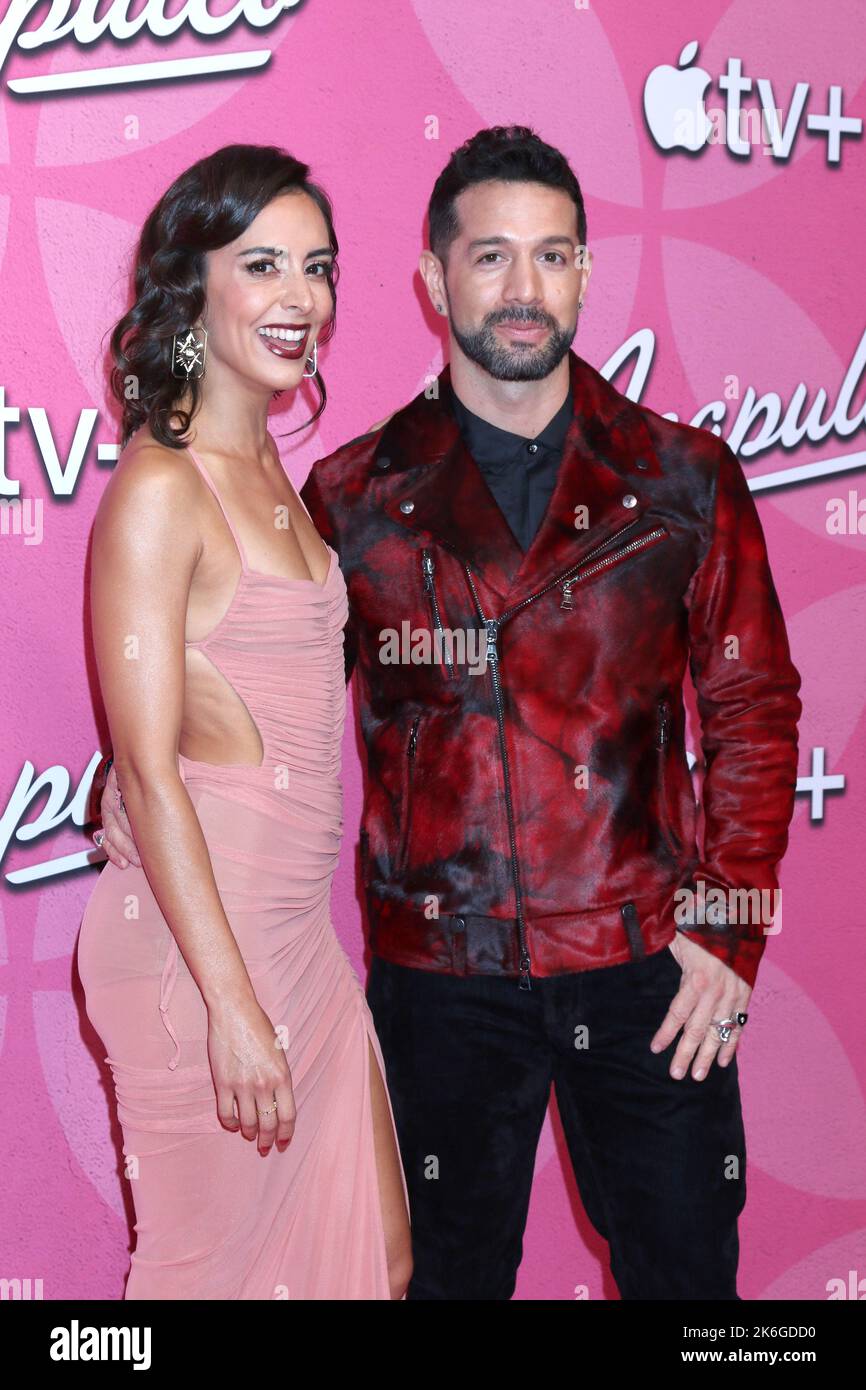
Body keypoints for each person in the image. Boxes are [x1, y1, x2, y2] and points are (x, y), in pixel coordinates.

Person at [97, 125, 802, 1300]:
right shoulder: (352, 495)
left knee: (692, 1294)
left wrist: (725, 937)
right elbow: (249, 700)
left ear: (585, 272)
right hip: (436, 981)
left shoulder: (684, 476)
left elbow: (754, 707)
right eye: (490, 257)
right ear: (432, 282)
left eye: (553, 256)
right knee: (432, 1284)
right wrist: (136, 798)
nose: (524, 290)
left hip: (646, 974)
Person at [77, 144, 411, 1300]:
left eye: (315, 268)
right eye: (261, 263)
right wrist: (230, 1006)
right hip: (196, 950)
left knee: (373, 1256)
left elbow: (236, 690)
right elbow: (152, 769)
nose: (299, 298)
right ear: (192, 285)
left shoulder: (273, 468)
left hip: (296, 939)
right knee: (212, 1280)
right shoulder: (163, 485)